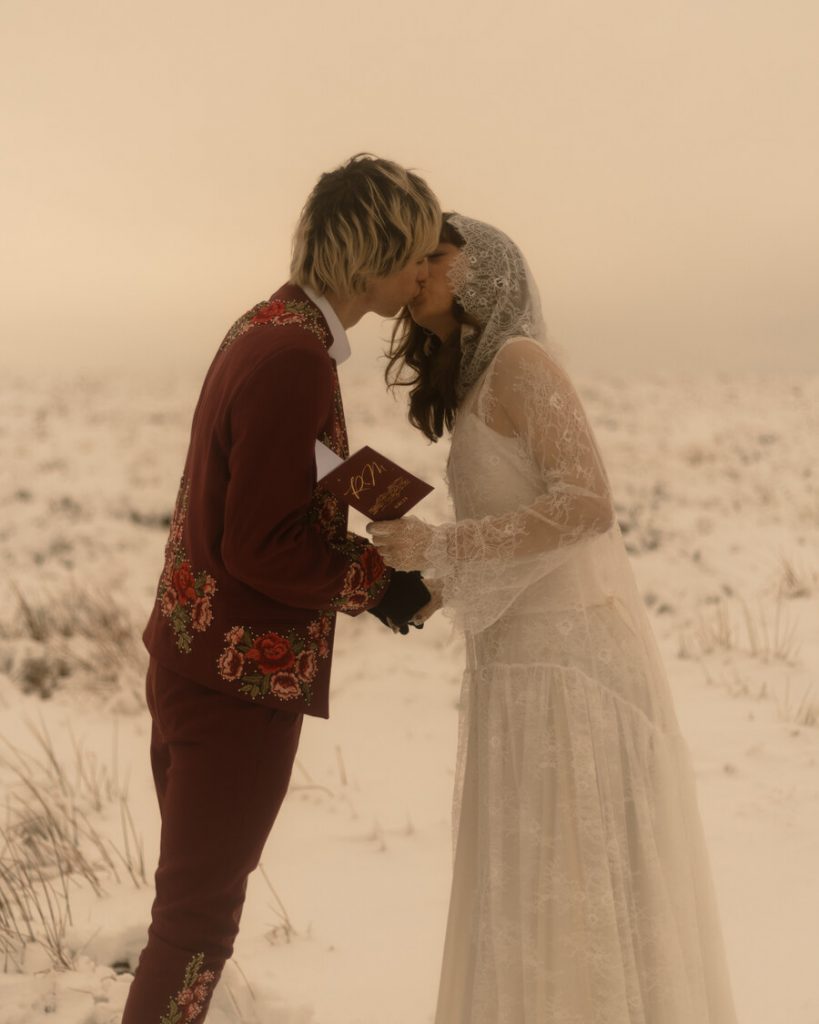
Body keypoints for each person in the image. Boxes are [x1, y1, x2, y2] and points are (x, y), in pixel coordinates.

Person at [368, 213, 738, 1023]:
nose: (420, 269)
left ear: (488, 271)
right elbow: (519, 533)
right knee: (532, 889)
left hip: (572, 672)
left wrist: (446, 544)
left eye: (438, 254)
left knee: (580, 886)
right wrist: (421, 583)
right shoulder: (475, 382)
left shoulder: (521, 363)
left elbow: (587, 505)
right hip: (516, 666)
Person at [121, 154, 441, 1024]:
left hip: (194, 660)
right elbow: (259, 543)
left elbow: (294, 459)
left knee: (189, 914)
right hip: (236, 686)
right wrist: (380, 585)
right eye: (414, 251)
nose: (424, 269)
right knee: (194, 927)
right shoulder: (294, 357)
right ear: (371, 256)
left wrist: (397, 511)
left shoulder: (269, 326)